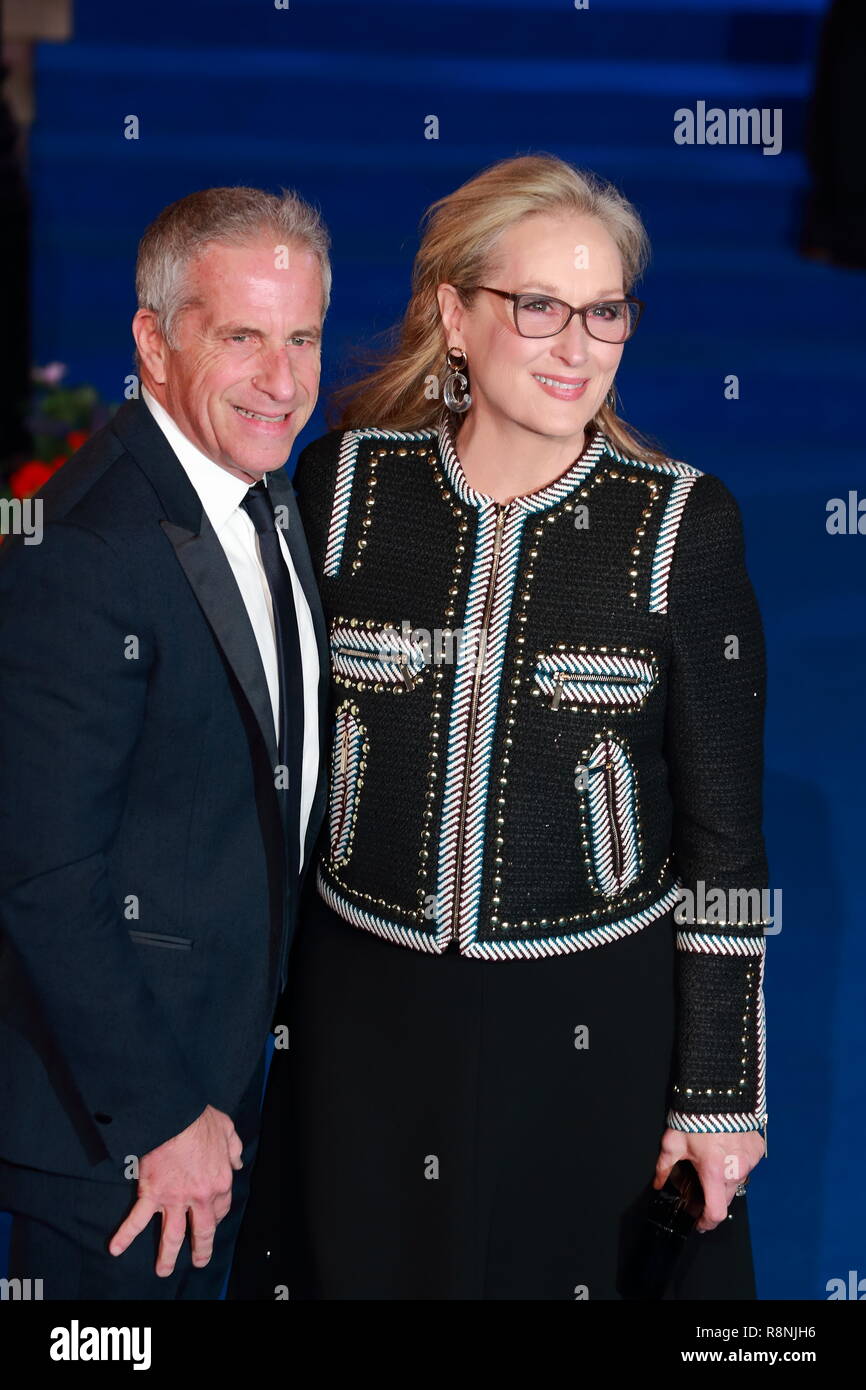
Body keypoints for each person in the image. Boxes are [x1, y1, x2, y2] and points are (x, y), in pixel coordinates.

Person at [229, 154, 770, 1301]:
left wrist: (718, 1095)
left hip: (589, 1024)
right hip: (362, 1016)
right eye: (538, 307)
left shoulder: (681, 524)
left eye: (605, 310)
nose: (576, 346)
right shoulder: (341, 489)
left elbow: (726, 849)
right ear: (454, 316)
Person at [0, 186, 330, 1298]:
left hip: (224, 1095)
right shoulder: (88, 553)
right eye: (241, 337)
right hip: (123, 1147)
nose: (281, 381)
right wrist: (160, 1118)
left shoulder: (263, 492)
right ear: (152, 338)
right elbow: (41, 873)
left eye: (301, 338)